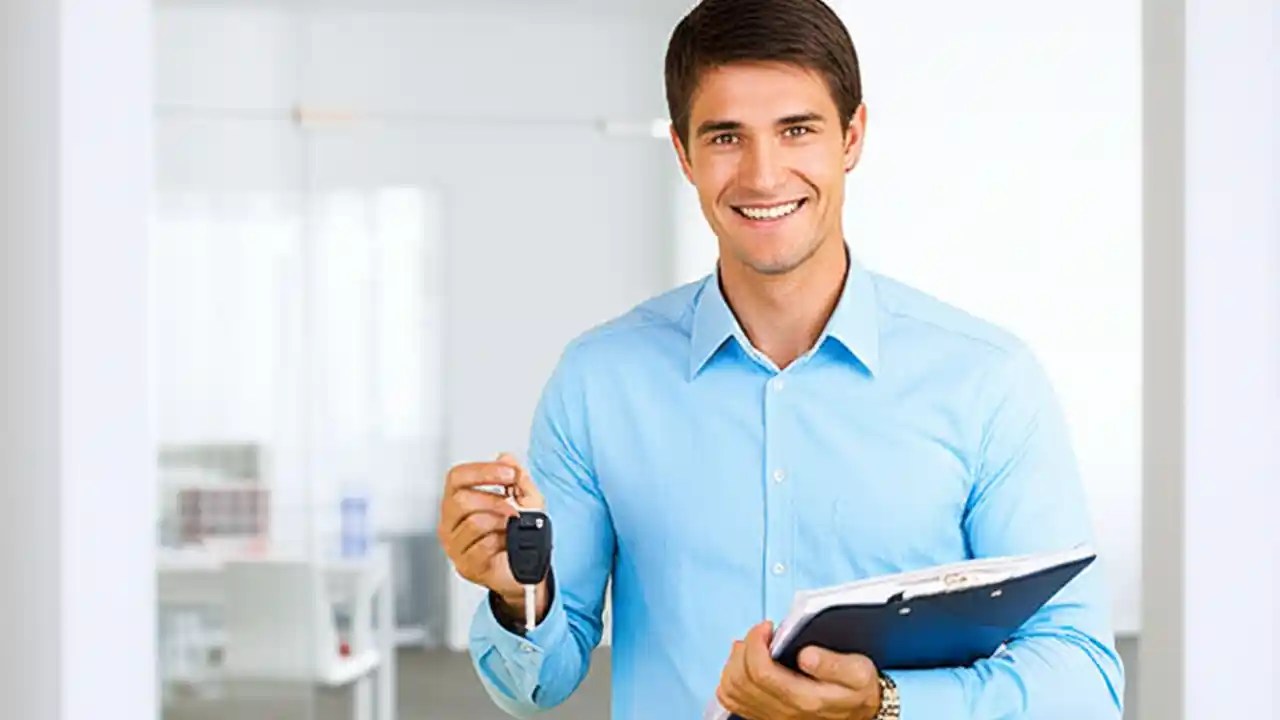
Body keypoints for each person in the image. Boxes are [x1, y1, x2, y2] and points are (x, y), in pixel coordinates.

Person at [436, 0, 1125, 717]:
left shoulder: (988, 383)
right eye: (727, 136)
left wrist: (883, 706)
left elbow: (1082, 684)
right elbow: (533, 686)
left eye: (797, 130)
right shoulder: (598, 383)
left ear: (852, 136)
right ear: (683, 154)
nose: (764, 176)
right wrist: (519, 594)